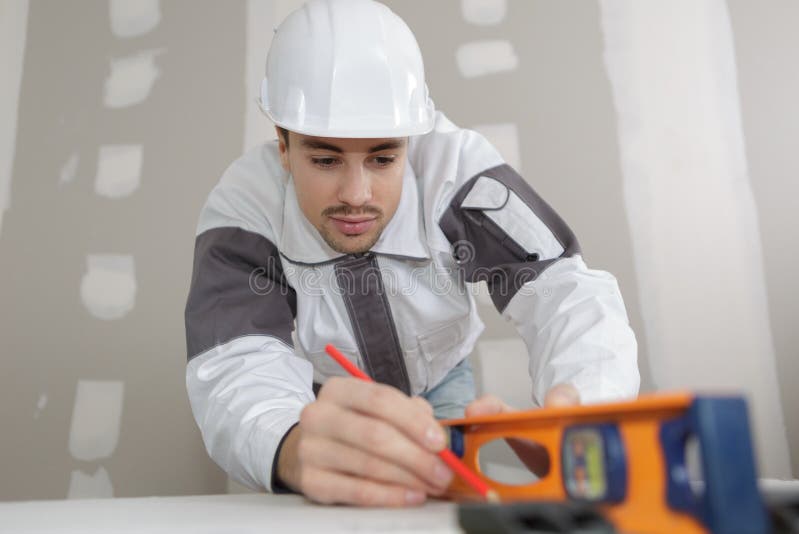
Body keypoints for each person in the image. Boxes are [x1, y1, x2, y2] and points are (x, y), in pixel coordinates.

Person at [184, 0, 639, 507]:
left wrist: (585, 410)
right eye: (325, 158)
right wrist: (290, 445)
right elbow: (235, 361)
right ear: (283, 146)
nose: (356, 194)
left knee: (448, 513)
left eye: (383, 157)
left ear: (411, 140)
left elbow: (562, 290)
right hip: (328, 403)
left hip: (444, 382)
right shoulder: (243, 211)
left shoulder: (458, 170)